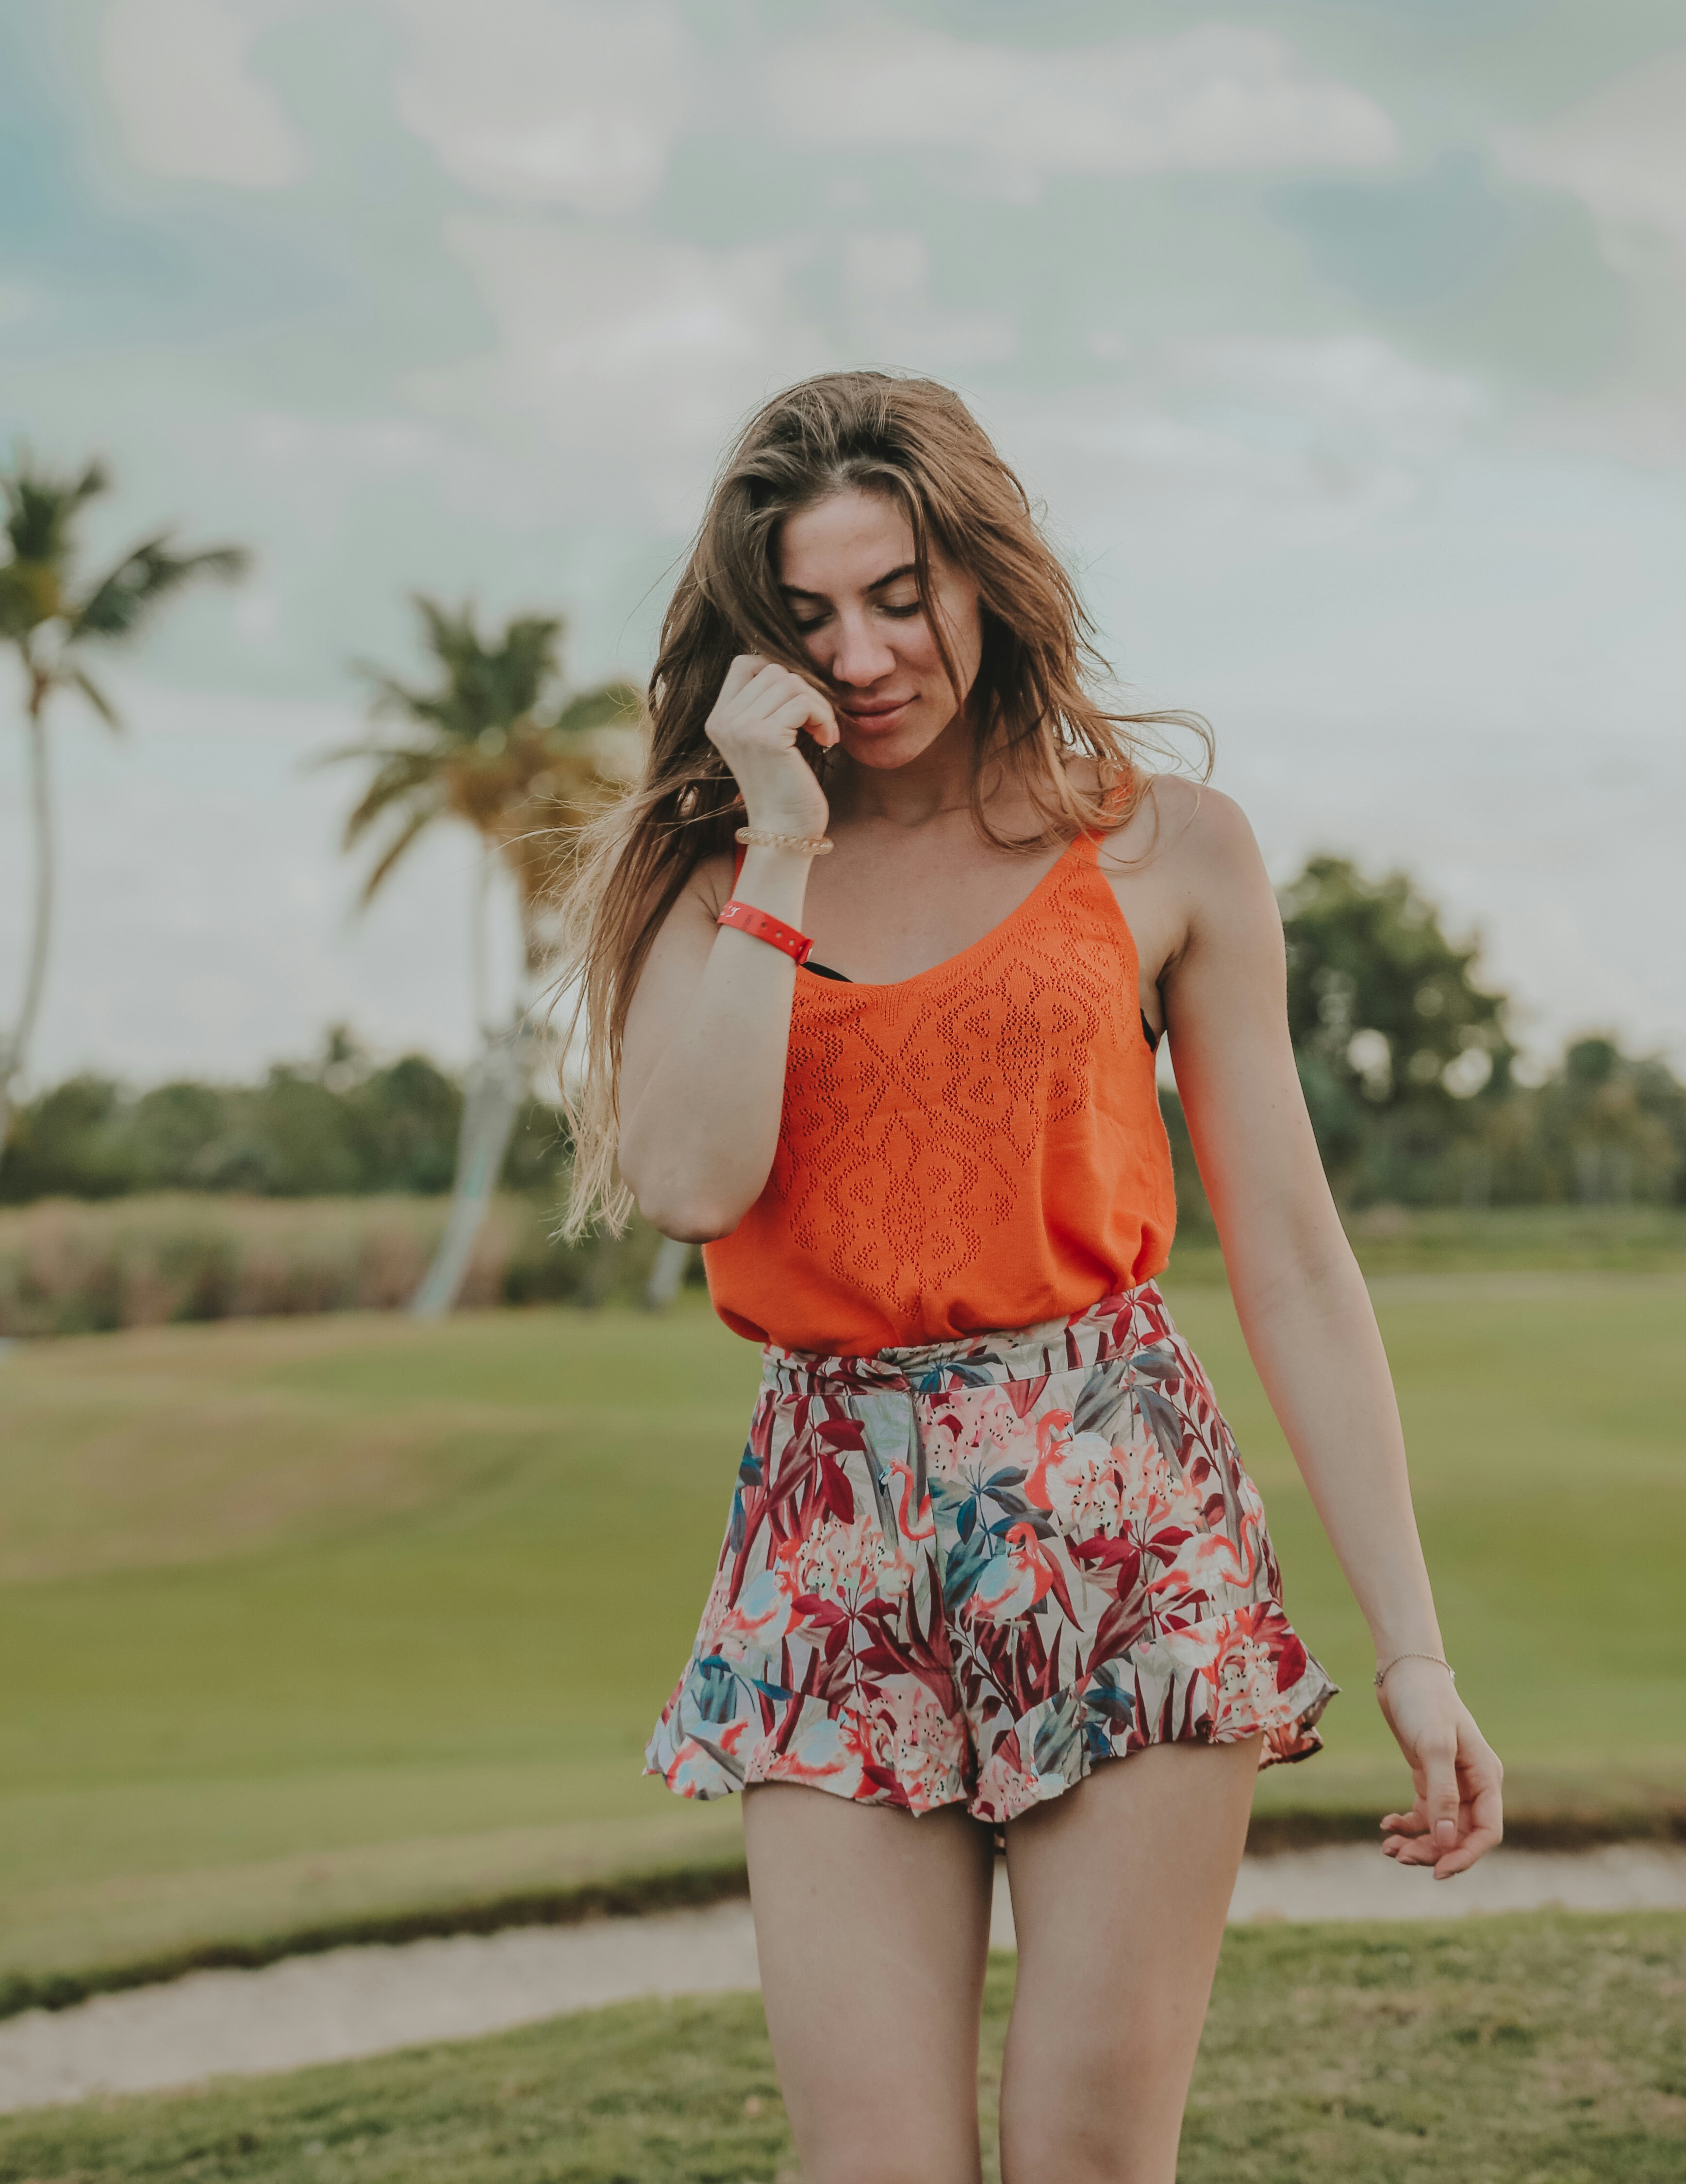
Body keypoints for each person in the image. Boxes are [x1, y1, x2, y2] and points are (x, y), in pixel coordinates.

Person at [562, 371, 1503, 2184]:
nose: (864, 654)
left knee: (1088, 2157)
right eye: (809, 615)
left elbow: (1296, 1261)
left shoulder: (1168, 849)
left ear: (986, 572)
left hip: (1123, 1515)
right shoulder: (712, 874)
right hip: (830, 1539)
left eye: (901, 592)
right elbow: (687, 1183)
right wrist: (776, 842)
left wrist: (1413, 1650)